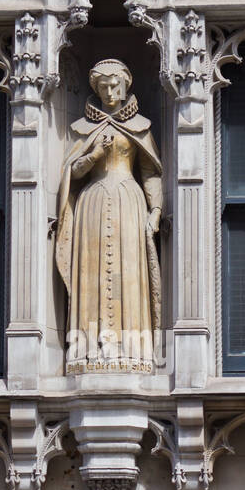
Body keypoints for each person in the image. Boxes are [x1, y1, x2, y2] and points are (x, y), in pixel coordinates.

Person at [55, 59, 163, 374]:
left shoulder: (140, 126)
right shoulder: (81, 129)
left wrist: (155, 209)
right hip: (90, 206)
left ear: (126, 86)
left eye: (115, 86)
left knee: (129, 273)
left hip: (130, 205)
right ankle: (87, 352)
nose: (110, 92)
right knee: (92, 273)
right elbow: (71, 173)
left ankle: (132, 352)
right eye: (103, 87)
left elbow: (151, 172)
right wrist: (94, 156)